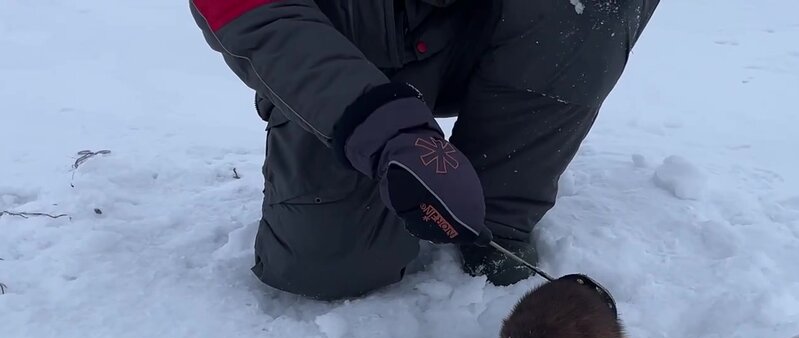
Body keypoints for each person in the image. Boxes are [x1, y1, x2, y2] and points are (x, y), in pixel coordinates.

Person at [189, 0, 660, 300]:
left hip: (487, 28)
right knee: (325, 268)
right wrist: (378, 126)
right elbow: (249, 10)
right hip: (348, 45)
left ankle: (499, 212)